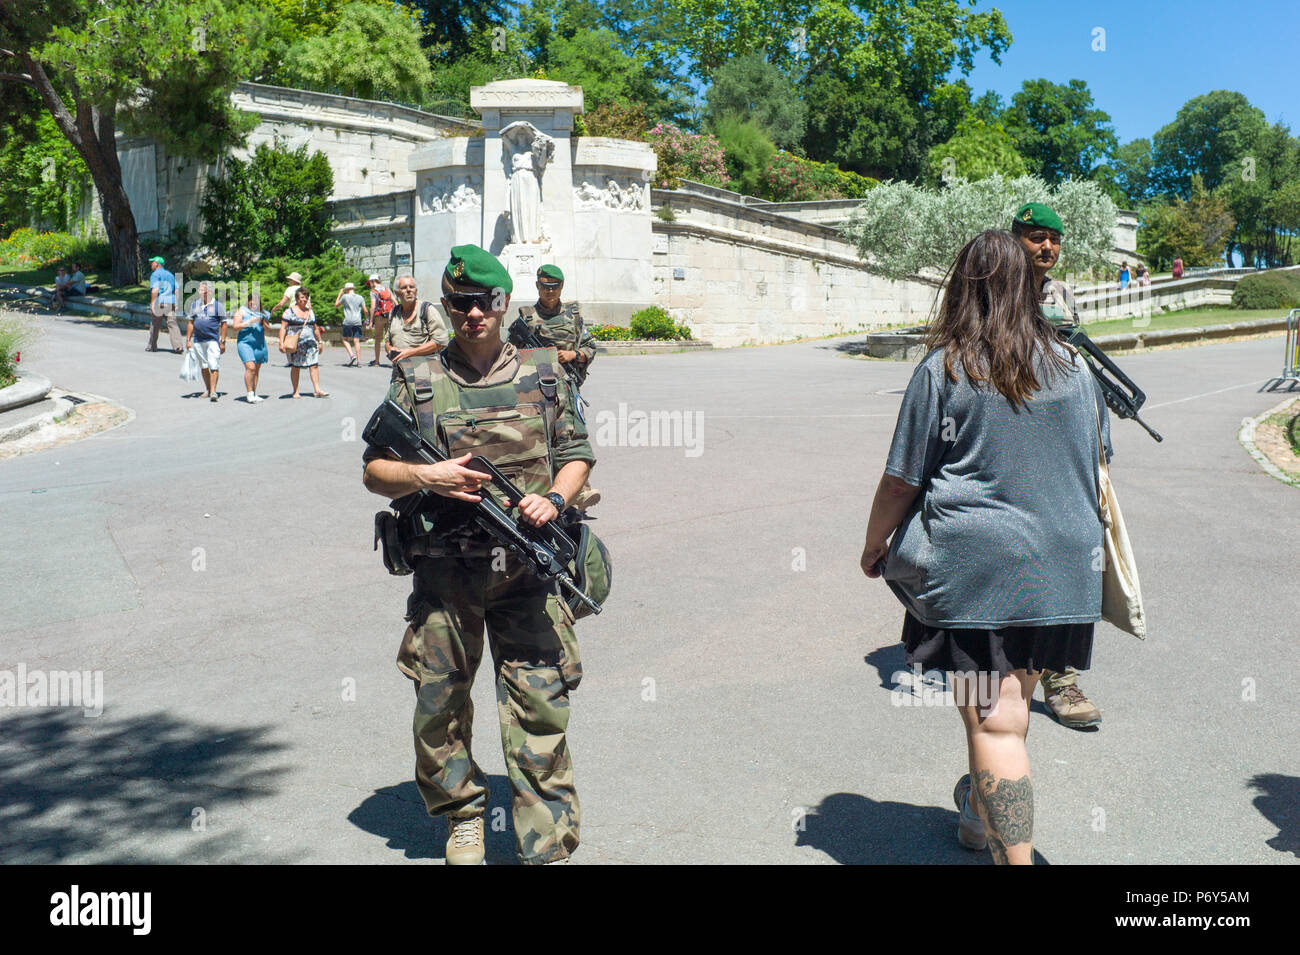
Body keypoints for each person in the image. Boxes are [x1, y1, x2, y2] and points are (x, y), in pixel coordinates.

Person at [860, 229, 1112, 865]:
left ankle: (1012, 857)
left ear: (962, 288)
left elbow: (902, 478)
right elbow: (1097, 463)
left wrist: (874, 543)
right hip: (1062, 564)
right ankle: (977, 818)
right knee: (1013, 709)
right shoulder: (1076, 366)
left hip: (976, 564)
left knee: (995, 720)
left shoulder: (946, 366)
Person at [361, 244, 595, 865]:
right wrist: (426, 477)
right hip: (445, 574)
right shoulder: (416, 377)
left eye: (485, 303)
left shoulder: (546, 373)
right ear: (447, 305)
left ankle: (546, 841)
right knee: (440, 704)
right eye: (461, 303)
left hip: (525, 571)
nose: (473, 315)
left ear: (503, 304)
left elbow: (578, 453)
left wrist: (553, 498)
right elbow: (373, 471)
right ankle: (462, 815)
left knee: (540, 703)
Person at [1010, 201, 1104, 729]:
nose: (1046, 247)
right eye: (1035, 237)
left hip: (1058, 447)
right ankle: (1002, 666)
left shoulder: (1062, 296)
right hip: (1003, 440)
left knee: (1071, 552)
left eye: (1054, 239)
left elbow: (1077, 366)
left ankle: (1060, 677)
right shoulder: (991, 291)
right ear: (1015, 239)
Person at [517, 264, 601, 509]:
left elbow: (590, 347)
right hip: (535, 389)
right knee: (540, 438)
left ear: (561, 287)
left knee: (570, 437)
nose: (549, 291)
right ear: (537, 286)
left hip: (567, 386)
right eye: (544, 286)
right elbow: (512, 353)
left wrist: (573, 355)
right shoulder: (527, 316)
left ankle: (578, 490)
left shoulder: (573, 316)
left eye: (553, 287)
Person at [383, 274, 449, 365]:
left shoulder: (427, 310)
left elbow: (441, 341)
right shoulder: (394, 313)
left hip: (424, 372)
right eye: (404, 288)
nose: (409, 290)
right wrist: (389, 349)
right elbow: (387, 340)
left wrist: (410, 353)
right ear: (397, 293)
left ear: (416, 291)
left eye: (412, 287)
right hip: (399, 370)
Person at [278, 286, 329, 398]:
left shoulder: (310, 312)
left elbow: (315, 328)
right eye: (302, 297)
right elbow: (283, 328)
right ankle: (295, 391)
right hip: (296, 344)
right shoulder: (289, 312)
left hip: (310, 342)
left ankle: (317, 389)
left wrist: (320, 342)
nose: (304, 299)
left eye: (306, 297)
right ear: (296, 299)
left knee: (314, 365)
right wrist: (281, 342)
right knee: (296, 366)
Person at [185, 281, 228, 402]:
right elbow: (190, 323)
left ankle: (214, 391)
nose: (198, 292)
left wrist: (222, 341)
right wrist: (188, 340)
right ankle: (208, 389)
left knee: (213, 365)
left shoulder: (218, 306)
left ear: (208, 292)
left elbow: (224, 324)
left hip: (213, 340)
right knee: (204, 366)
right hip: (198, 340)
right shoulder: (195, 305)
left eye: (201, 290)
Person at [231, 291, 271, 402]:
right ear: (248, 302)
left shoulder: (262, 313)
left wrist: (263, 321)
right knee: (250, 368)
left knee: (256, 370)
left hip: (259, 344)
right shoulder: (241, 312)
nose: (253, 304)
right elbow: (235, 326)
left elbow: (268, 329)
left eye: (256, 302)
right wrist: (249, 322)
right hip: (245, 344)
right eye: (251, 301)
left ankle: (253, 393)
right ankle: (249, 394)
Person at [147, 256, 183, 353]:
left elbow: (155, 290)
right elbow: (176, 289)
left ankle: (152, 346)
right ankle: (178, 346)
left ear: (157, 264)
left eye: (152, 262)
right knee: (172, 324)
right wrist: (177, 302)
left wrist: (152, 303)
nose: (151, 264)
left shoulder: (155, 275)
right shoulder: (170, 274)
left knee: (155, 324)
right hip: (170, 302)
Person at [335, 281, 369, 366]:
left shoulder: (345, 296)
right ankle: (359, 361)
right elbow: (365, 310)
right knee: (356, 341)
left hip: (348, 321)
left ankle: (351, 355)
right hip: (357, 321)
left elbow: (336, 305)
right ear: (353, 289)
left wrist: (339, 294)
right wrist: (367, 319)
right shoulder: (360, 297)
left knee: (344, 339)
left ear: (346, 290)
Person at [367, 274, 396, 366]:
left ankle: (377, 361)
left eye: (370, 282)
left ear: (372, 281)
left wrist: (370, 321)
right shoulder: (387, 289)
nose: (370, 285)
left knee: (378, 340)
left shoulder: (373, 292)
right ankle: (394, 360)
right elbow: (395, 302)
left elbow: (372, 307)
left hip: (379, 317)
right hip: (389, 316)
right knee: (389, 339)